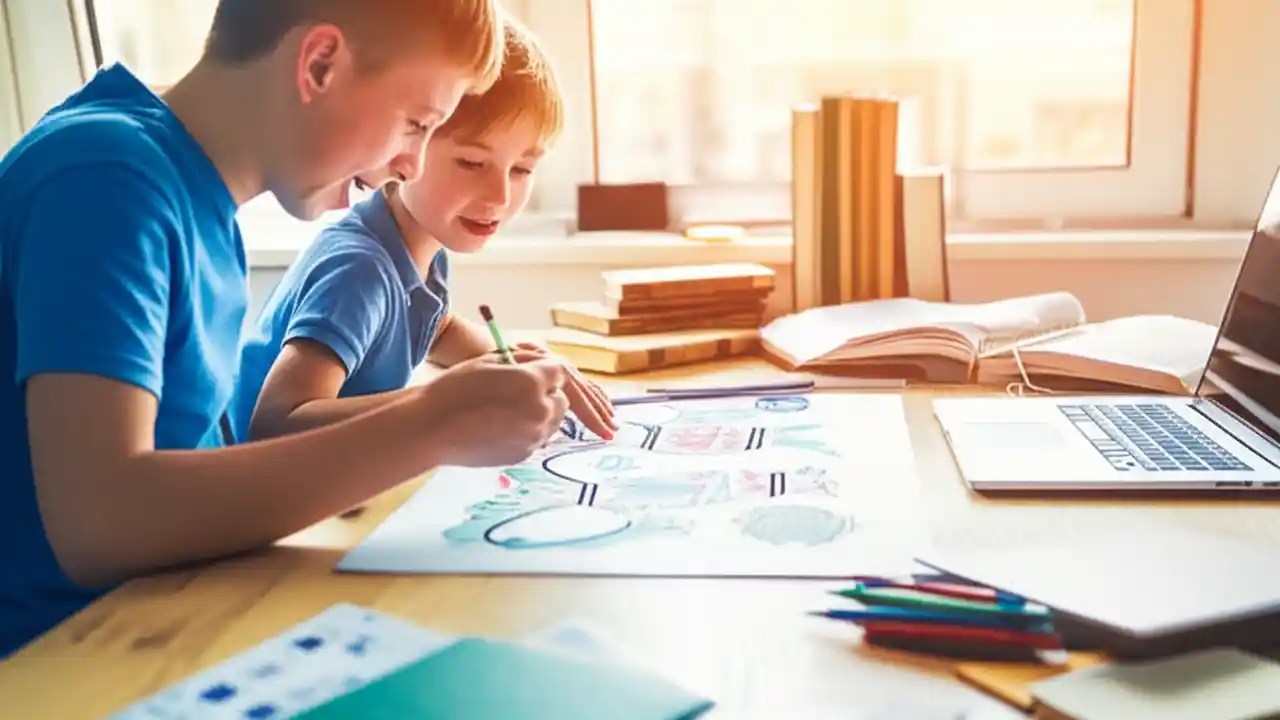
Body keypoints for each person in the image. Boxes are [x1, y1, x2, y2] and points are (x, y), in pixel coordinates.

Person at [0, 0, 568, 657]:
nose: (410, 164)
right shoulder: (105, 180)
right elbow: (101, 524)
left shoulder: (192, 196)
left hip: (161, 623)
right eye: (416, 124)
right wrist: (432, 426)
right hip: (53, 660)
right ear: (319, 64)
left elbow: (197, 478)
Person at [234, 20, 617, 447]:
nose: (499, 194)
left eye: (523, 169)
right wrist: (448, 402)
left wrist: (516, 363)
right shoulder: (361, 270)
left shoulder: (418, 250)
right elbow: (278, 420)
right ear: (406, 143)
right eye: (471, 163)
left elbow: (436, 327)